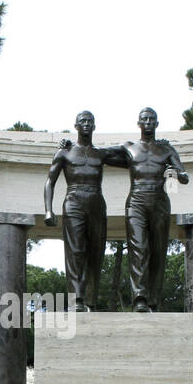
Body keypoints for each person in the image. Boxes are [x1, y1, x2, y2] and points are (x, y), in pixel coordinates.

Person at [43, 110, 116, 311]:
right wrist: (48, 210)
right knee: (75, 252)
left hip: (96, 201)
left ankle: (90, 301)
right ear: (75, 126)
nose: (86, 124)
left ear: (94, 126)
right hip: (73, 200)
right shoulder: (65, 152)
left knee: (96, 253)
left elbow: (131, 158)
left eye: (90, 121)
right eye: (82, 121)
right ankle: (77, 300)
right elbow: (50, 181)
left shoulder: (101, 154)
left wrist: (156, 147)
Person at [119, 107, 188, 312]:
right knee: (138, 249)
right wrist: (68, 146)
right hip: (136, 202)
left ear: (157, 124)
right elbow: (99, 154)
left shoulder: (166, 150)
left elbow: (184, 176)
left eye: (152, 119)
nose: (148, 122)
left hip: (159, 201)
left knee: (158, 251)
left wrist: (175, 172)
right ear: (138, 123)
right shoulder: (128, 148)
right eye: (144, 119)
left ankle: (154, 300)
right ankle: (140, 298)